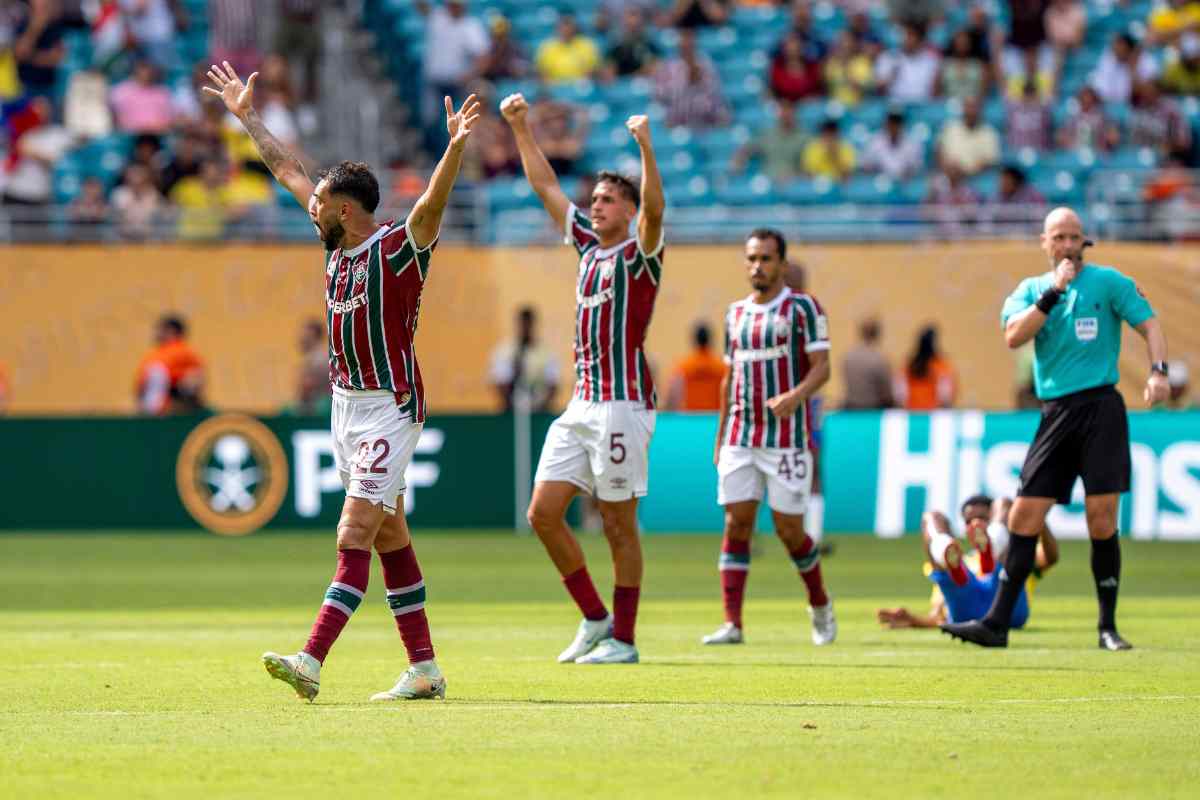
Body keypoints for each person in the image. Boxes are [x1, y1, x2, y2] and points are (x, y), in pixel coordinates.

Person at [205, 60, 481, 700]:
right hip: (344, 406)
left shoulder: (398, 246)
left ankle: (311, 660)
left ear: (347, 210)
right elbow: (287, 169)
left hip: (390, 405)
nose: (312, 205)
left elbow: (433, 206)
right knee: (390, 535)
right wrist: (247, 118)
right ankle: (425, 668)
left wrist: (455, 148)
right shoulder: (335, 243)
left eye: (322, 202)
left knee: (353, 531)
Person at [942, 208, 1170, 650]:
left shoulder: (1109, 283)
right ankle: (996, 624)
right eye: (1059, 237)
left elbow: (1151, 324)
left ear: (1085, 242)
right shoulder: (1030, 290)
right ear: (1044, 242)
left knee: (1101, 519)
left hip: (1102, 407)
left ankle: (1107, 626)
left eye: (1074, 237)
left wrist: (1158, 372)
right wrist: (1053, 291)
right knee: (1024, 514)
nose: (1067, 245)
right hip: (1057, 411)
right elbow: (1013, 336)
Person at [500, 91, 665, 665]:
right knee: (543, 513)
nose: (595, 207)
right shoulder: (589, 250)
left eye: (607, 200)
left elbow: (656, 214)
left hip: (623, 404)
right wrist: (520, 126)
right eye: (594, 199)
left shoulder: (640, 253)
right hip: (581, 404)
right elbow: (546, 187)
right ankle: (595, 617)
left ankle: (625, 638)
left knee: (619, 525)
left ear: (629, 209)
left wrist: (644, 146)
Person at [704, 228, 836, 647]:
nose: (757, 266)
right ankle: (732, 623)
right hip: (741, 435)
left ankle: (819, 604)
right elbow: (729, 378)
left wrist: (795, 397)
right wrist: (720, 435)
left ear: (781, 263)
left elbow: (823, 368)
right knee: (736, 523)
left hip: (786, 439)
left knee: (789, 532)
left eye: (765, 258)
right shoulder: (734, 314)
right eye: (751, 259)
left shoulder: (803, 309)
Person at [877, 496, 1059, 630]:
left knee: (1006, 507)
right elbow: (938, 615)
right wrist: (913, 620)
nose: (976, 523)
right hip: (978, 608)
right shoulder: (957, 558)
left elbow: (1050, 557)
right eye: (969, 521)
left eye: (982, 519)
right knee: (931, 517)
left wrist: (1035, 518)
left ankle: (992, 547)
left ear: (994, 520)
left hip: (1006, 603)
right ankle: (946, 546)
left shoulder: (1015, 555)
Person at [489, 306, 561, 413]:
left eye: (528, 323)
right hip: (510, 412)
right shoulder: (504, 351)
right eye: (523, 323)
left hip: (540, 411)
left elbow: (552, 384)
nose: (525, 328)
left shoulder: (546, 352)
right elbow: (500, 383)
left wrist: (538, 405)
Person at [134, 314, 206, 415]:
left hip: (170, 411)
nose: (156, 333)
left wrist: (178, 401)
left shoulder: (185, 353)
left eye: (161, 329)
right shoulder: (156, 354)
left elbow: (195, 380)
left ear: (171, 331)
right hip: (150, 411)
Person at [730, 101, 807, 182]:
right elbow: (746, 149)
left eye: (789, 112)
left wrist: (796, 176)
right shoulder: (767, 134)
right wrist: (737, 162)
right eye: (784, 111)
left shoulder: (803, 137)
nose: (786, 115)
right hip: (767, 181)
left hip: (793, 182)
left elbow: (810, 165)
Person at [665, 323, 726, 411]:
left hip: (691, 419)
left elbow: (673, 395)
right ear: (710, 340)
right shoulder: (721, 367)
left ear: (695, 340)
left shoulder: (684, 366)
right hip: (715, 418)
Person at [897, 325, 957, 410]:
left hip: (911, 414)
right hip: (933, 416)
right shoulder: (941, 366)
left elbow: (900, 395)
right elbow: (945, 397)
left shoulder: (909, 365)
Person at [938, 96, 1000, 177]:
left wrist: (966, 172)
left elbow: (991, 162)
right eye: (968, 107)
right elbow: (939, 152)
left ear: (980, 109)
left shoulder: (990, 133)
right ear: (963, 108)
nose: (971, 111)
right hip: (950, 176)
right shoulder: (950, 127)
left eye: (974, 107)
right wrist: (948, 167)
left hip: (976, 179)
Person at [842, 316, 894, 409]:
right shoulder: (879, 359)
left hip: (850, 407)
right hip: (873, 410)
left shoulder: (848, 357)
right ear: (877, 334)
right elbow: (887, 393)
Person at [535, 12, 600, 83]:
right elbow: (542, 71)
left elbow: (592, 69)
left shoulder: (587, 45)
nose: (566, 30)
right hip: (554, 86)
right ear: (557, 28)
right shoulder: (546, 47)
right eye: (563, 26)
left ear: (575, 28)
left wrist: (582, 83)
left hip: (581, 86)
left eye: (569, 26)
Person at [861, 110, 922, 180]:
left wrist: (908, 173)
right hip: (880, 183)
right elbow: (865, 166)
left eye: (898, 122)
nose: (894, 126)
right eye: (892, 122)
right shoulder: (875, 142)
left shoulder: (912, 144)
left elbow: (916, 168)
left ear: (902, 124)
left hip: (904, 184)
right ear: (887, 123)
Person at [292, 318, 332, 416]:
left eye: (306, 335)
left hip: (320, 411)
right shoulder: (314, 357)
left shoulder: (318, 359)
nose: (301, 338)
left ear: (315, 337)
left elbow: (307, 388)